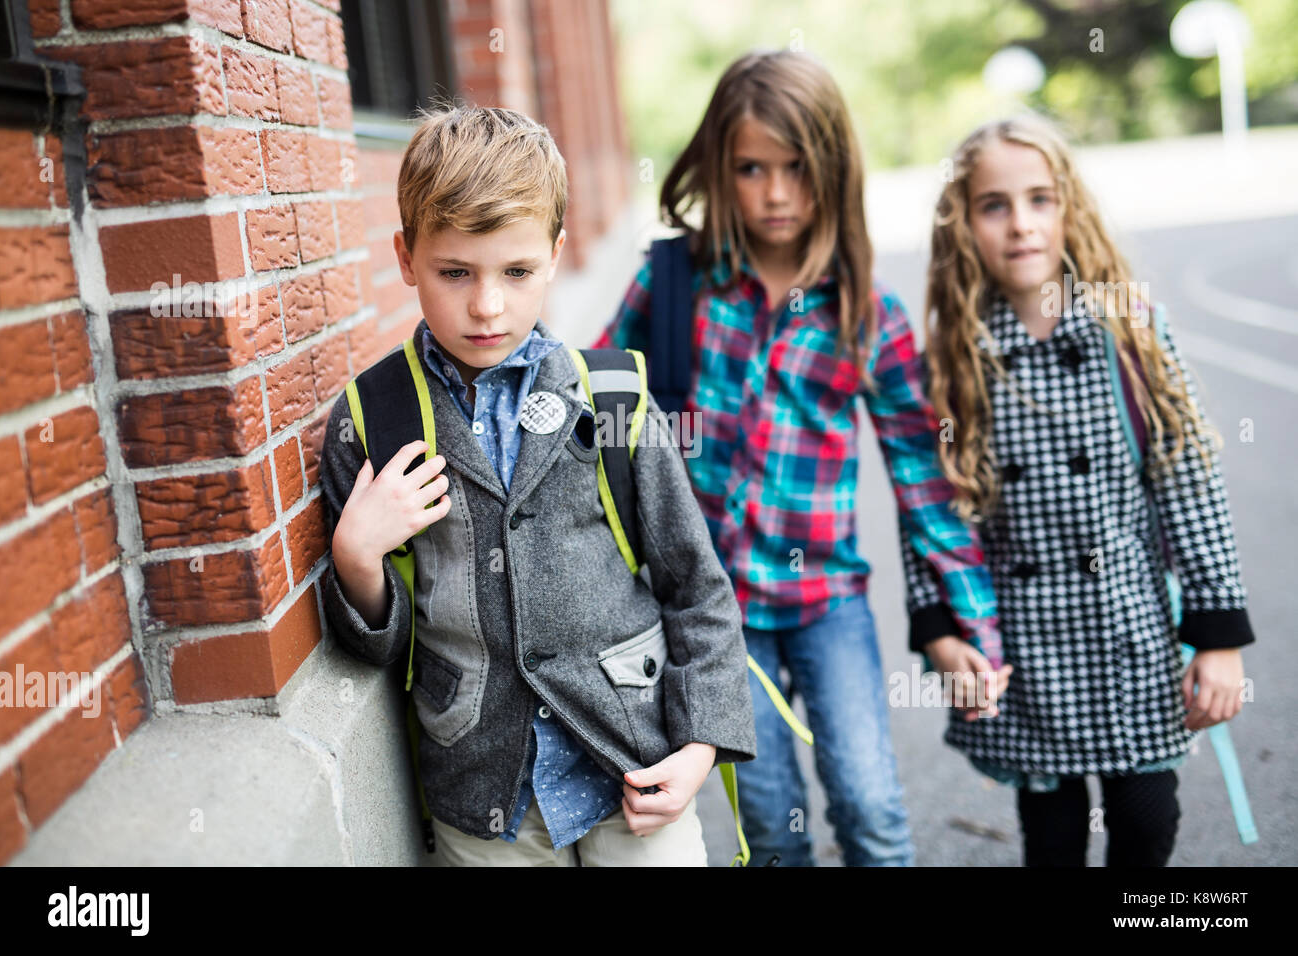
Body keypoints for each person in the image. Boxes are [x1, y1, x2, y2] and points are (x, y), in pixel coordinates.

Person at [594, 50, 1005, 867]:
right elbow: (599, 407)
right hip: (714, 618)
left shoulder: (868, 314)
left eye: (796, 168)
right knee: (772, 831)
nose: (775, 193)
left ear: (833, 170)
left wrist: (973, 623)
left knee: (872, 811)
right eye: (750, 168)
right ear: (718, 167)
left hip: (828, 603)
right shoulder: (673, 283)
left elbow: (923, 480)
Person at [318, 105, 756, 866]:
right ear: (405, 256)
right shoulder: (373, 418)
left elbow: (697, 587)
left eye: (516, 272)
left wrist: (699, 749)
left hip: (636, 766)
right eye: (455, 272)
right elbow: (381, 646)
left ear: (554, 256)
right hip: (483, 790)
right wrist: (356, 561)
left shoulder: (615, 396)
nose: (487, 305)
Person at [920, 114, 1256, 866]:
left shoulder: (1130, 332)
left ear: (1070, 207)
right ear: (963, 222)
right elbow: (934, 514)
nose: (1021, 225)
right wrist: (940, 633)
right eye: (994, 205)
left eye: (1041, 199)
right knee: (1054, 836)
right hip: (1023, 642)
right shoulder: (953, 360)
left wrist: (1218, 636)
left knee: (1145, 820)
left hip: (1128, 629)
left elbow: (1189, 480)